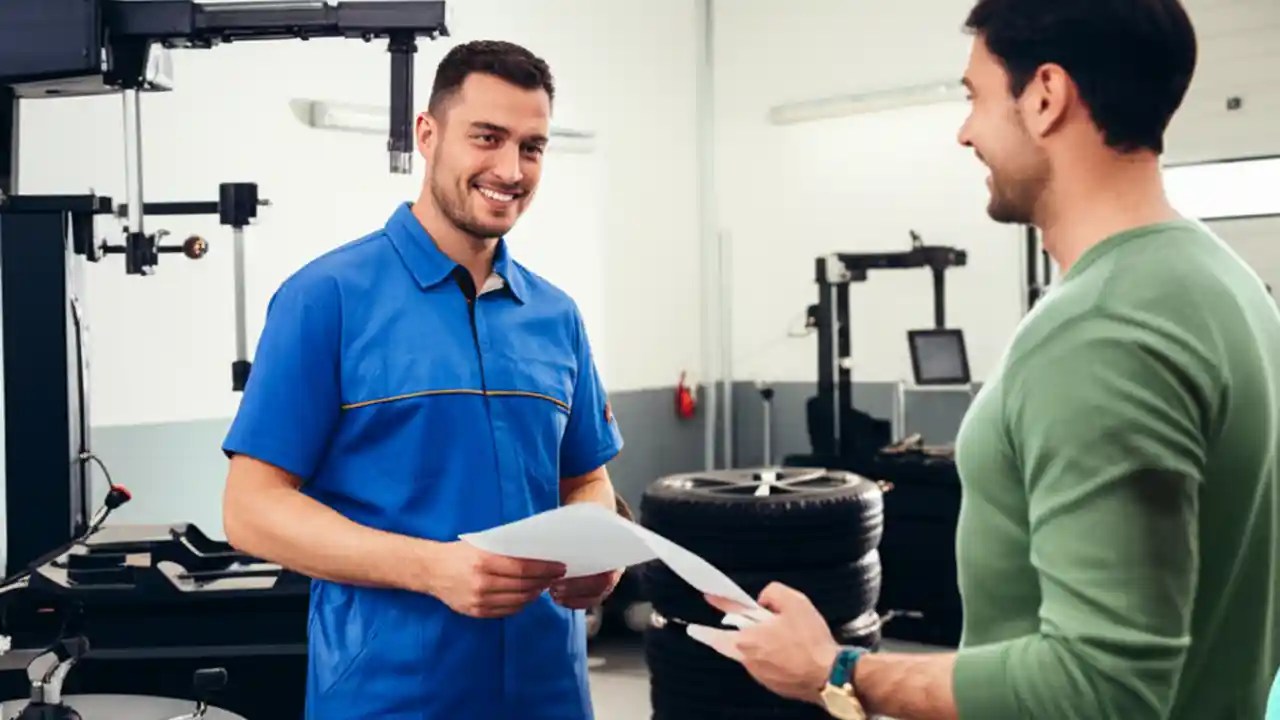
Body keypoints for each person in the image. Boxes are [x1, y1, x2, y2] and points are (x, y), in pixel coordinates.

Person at [706, 1, 1280, 718]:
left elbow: (1099, 690)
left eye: (975, 96)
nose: (966, 130)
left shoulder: (1099, 330)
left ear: (1045, 96)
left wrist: (840, 668)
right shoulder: (1228, 285)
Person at [220, 40, 624, 719]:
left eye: (532, 147)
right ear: (427, 135)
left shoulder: (556, 316)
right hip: (390, 695)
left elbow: (585, 477)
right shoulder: (327, 299)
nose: (511, 168)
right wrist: (431, 569)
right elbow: (251, 510)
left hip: (548, 692)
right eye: (487, 138)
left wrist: (599, 545)